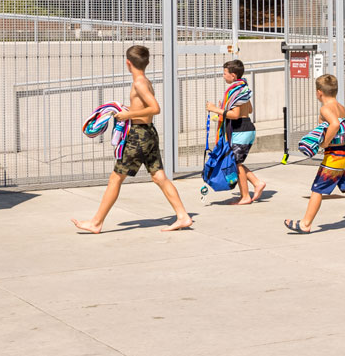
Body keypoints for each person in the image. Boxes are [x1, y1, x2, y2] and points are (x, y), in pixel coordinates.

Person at [71, 45, 193, 233]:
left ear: (128, 63)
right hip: (148, 133)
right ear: (147, 62)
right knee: (159, 176)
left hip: (138, 136)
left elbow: (155, 108)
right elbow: (144, 107)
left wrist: (127, 115)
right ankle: (183, 216)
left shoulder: (139, 83)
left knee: (115, 178)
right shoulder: (145, 81)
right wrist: (128, 109)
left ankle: (96, 223)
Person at [286, 74, 345, 234]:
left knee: (317, 189)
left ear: (319, 92)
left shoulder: (325, 109)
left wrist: (324, 143)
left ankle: (305, 224)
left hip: (334, 157)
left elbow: (334, 125)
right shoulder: (341, 107)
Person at [204, 59, 266, 204]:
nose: (223, 76)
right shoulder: (243, 89)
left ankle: (245, 196)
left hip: (241, 130)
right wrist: (224, 108)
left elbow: (235, 115)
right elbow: (249, 109)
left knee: (236, 164)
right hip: (246, 128)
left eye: (224, 73)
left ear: (233, 75)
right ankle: (257, 183)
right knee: (236, 161)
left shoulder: (236, 91)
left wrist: (215, 109)